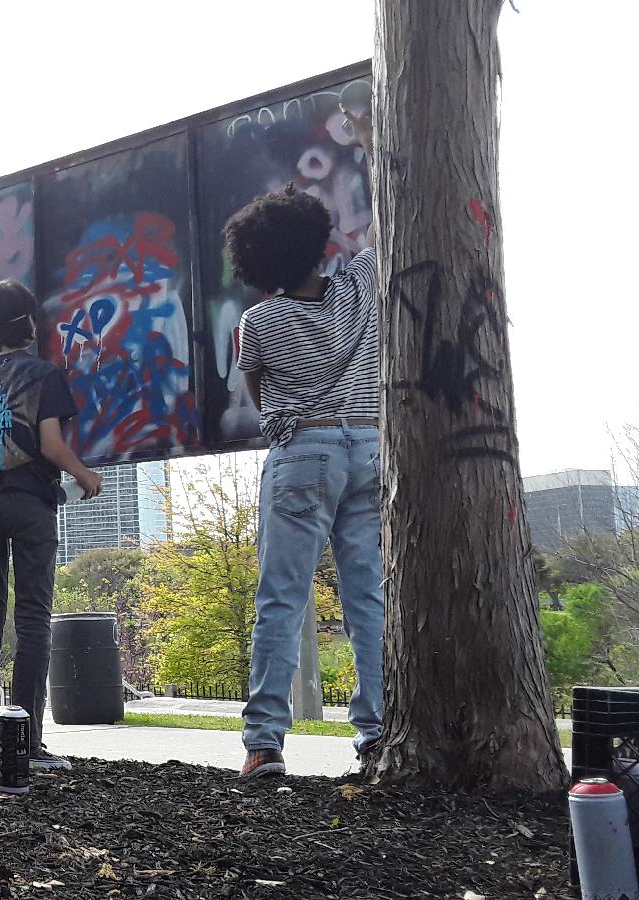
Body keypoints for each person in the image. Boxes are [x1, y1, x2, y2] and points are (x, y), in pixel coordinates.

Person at [231, 109, 381, 779]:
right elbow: (380, 224)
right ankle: (377, 733)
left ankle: (265, 743)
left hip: (302, 455)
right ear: (319, 242)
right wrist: (371, 147)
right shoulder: (359, 289)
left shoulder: (259, 321)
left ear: (257, 260)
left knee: (282, 601)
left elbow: (262, 398)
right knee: (367, 599)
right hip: (371, 449)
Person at [0, 280, 103, 772]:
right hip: (30, 501)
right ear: (30, 327)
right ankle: (24, 742)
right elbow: (51, 446)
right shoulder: (44, 374)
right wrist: (85, 475)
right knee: (33, 618)